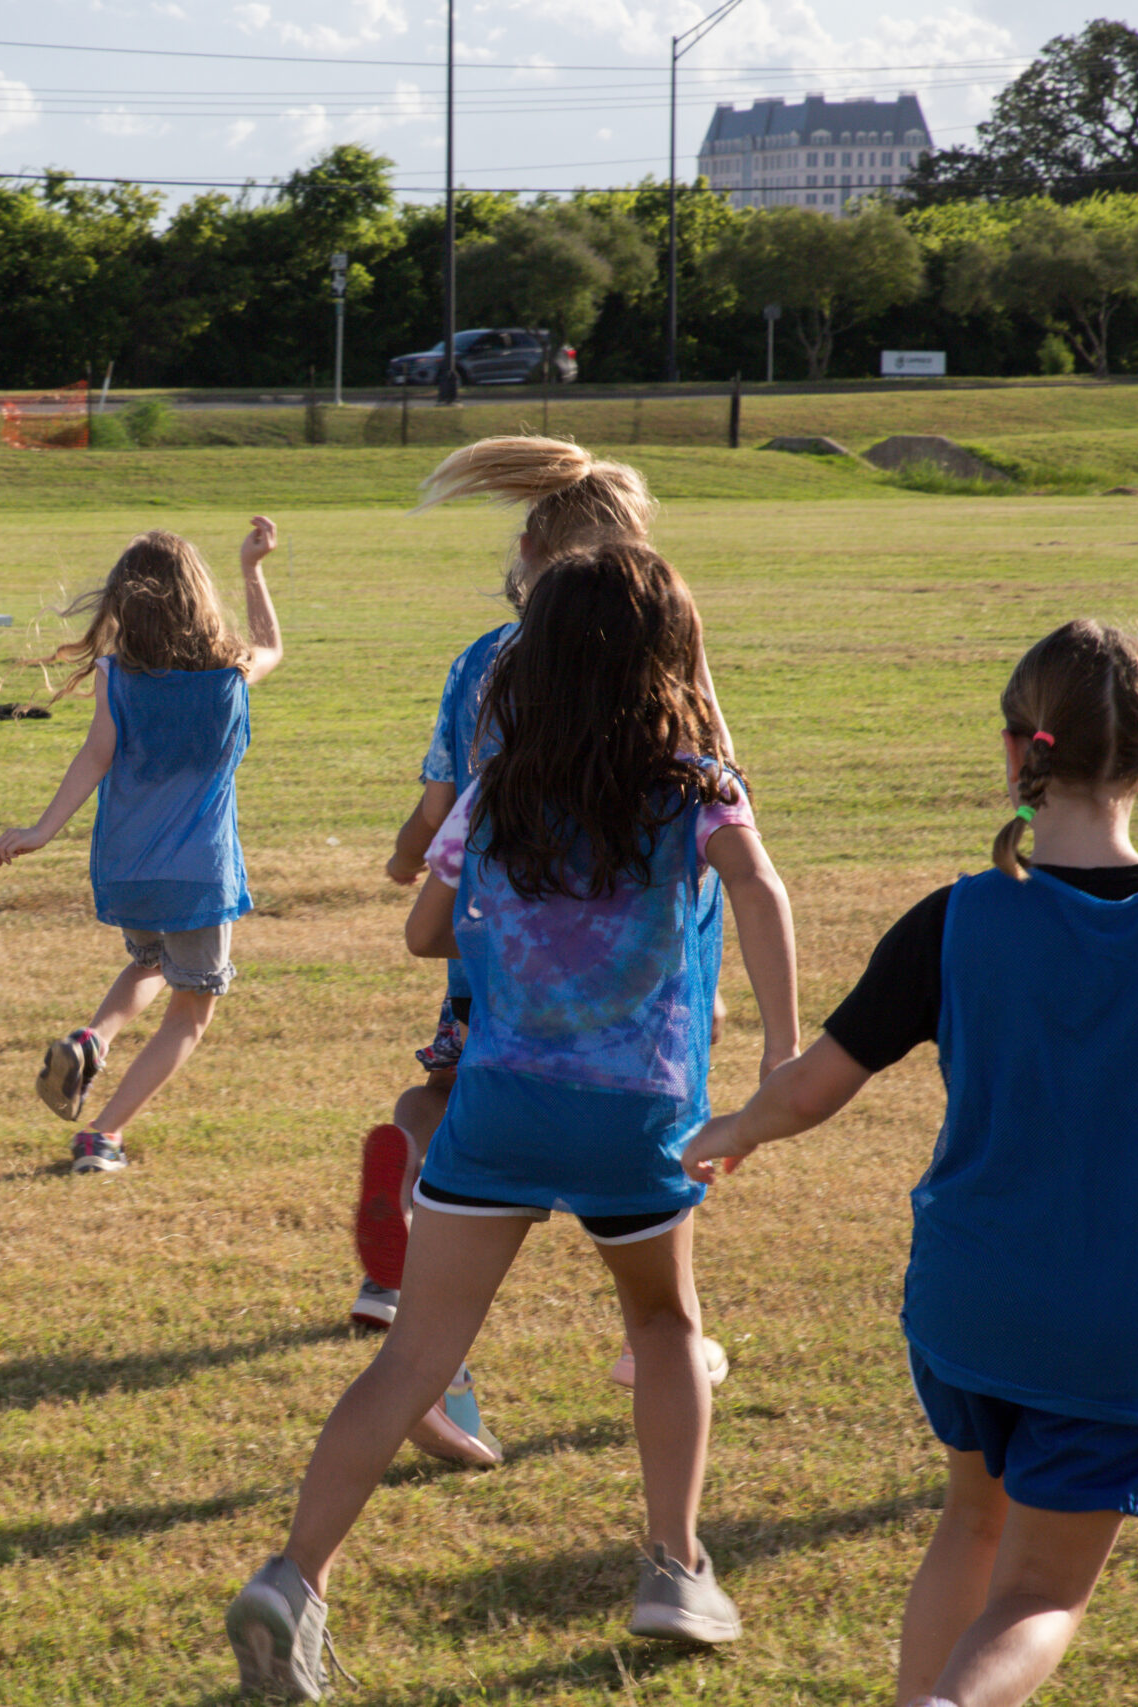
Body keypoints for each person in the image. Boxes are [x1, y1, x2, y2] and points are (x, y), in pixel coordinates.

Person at [224, 540, 797, 1697]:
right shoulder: (697, 786)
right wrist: (780, 1056)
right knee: (663, 1326)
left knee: (411, 1358)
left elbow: (422, 934)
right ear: (671, 659)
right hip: (637, 1115)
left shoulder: (496, 792)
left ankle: (293, 1577)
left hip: (497, 1107)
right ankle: (674, 1565)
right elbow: (759, 886)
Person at [686, 619, 1138, 1707]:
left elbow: (812, 1085)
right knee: (1041, 1594)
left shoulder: (958, 917)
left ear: (1017, 753)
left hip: (969, 1303)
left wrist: (734, 1129)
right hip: (1118, 1324)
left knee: (972, 1522)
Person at [359, 439, 739, 1403]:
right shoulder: (657, 667)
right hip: (634, 978)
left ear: (529, 548)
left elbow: (441, 804)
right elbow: (722, 797)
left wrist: (407, 859)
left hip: (497, 955)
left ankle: (421, 1313)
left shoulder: (481, 663)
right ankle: (664, 1340)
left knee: (450, 1108)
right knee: (645, 1163)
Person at [0, 520, 284, 1174]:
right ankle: (103, 1135)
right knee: (191, 1012)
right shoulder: (230, 674)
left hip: (126, 871)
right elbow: (271, 646)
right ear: (197, 597)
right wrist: (253, 569)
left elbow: (95, 756)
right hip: (198, 877)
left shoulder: (115, 675)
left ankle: (91, 1039)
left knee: (150, 959)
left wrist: (41, 831)